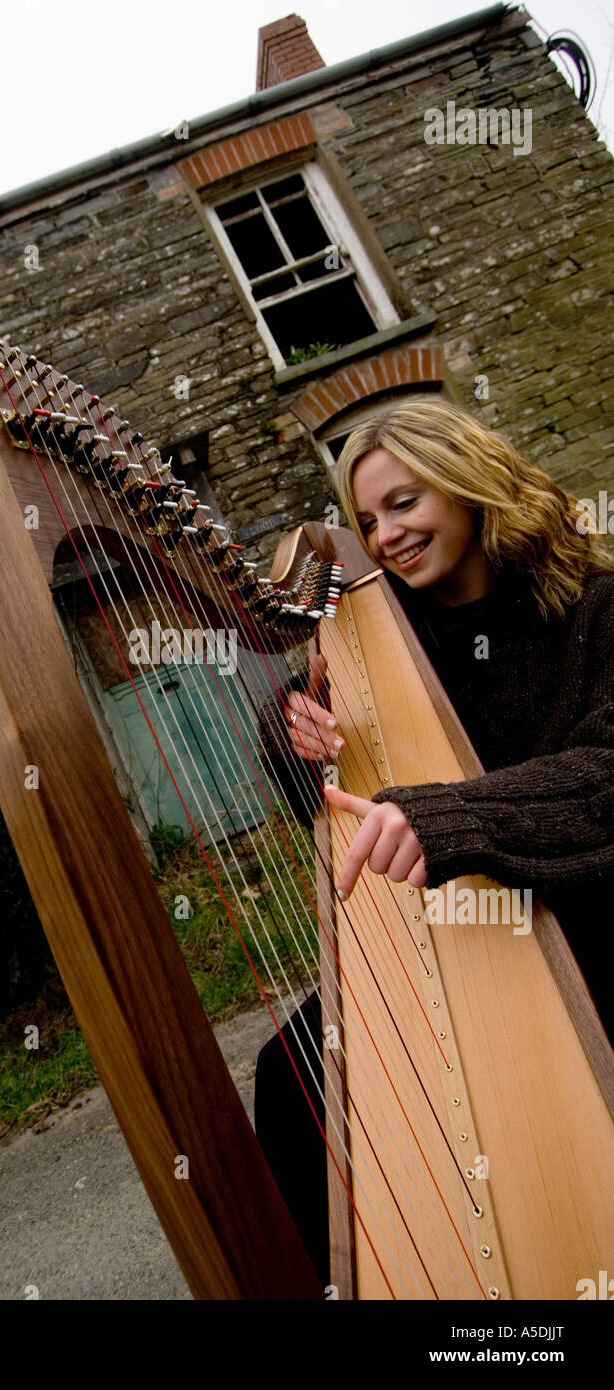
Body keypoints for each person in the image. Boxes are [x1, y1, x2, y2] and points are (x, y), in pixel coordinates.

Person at [253, 394, 614, 1286]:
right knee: (293, 1075)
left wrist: (452, 817)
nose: (384, 536)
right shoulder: (379, 626)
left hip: (590, 909)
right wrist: (289, 725)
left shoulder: (595, 609)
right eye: (367, 519)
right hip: (458, 925)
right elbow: (334, 763)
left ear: (468, 483)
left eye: (404, 503)